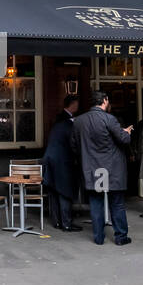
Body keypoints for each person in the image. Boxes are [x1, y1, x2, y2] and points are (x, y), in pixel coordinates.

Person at [75, 90, 133, 246]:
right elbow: (123, 140)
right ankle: (120, 237)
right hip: (113, 168)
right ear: (105, 100)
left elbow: (74, 145)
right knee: (117, 204)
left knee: (96, 203)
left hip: (92, 168)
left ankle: (98, 237)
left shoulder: (79, 121)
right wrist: (126, 132)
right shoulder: (110, 119)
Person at [42, 95, 82, 231]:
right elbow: (73, 145)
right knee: (65, 191)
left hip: (50, 159)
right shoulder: (68, 124)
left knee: (54, 191)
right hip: (62, 162)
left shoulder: (58, 124)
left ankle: (57, 222)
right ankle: (66, 223)